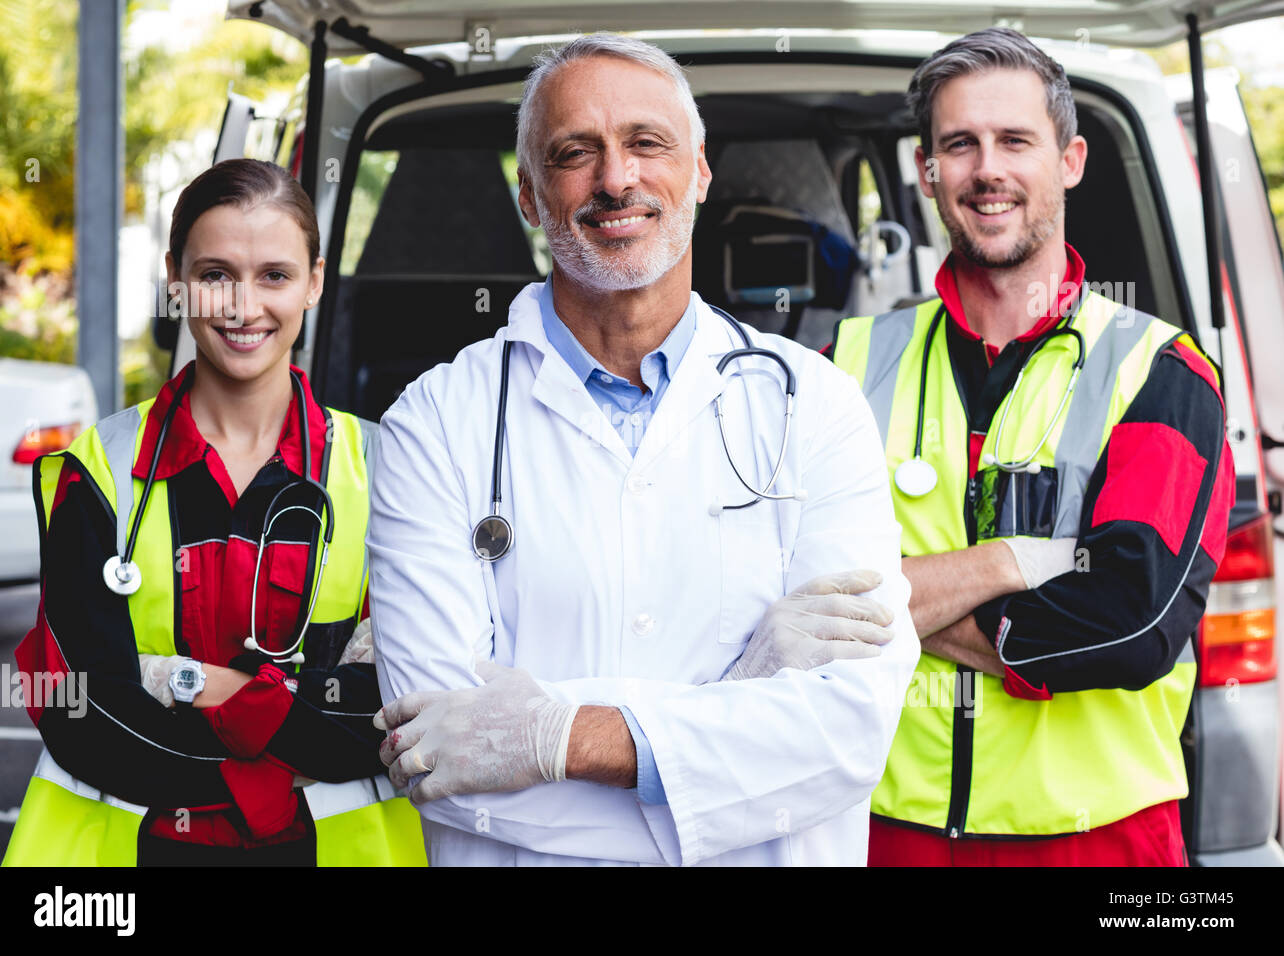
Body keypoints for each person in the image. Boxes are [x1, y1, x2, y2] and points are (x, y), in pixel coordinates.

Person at [366, 33, 920, 867]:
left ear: (699, 171)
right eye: (574, 153)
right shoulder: (435, 422)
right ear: (528, 195)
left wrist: (558, 736)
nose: (616, 179)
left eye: (646, 144)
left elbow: (846, 737)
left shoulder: (814, 404)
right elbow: (443, 760)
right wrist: (739, 706)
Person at [827, 28, 1234, 865]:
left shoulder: (1160, 371)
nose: (988, 170)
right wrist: (1020, 560)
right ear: (927, 172)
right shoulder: (849, 362)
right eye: (959, 145)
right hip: (878, 831)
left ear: (1071, 161)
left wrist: (891, 605)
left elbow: (1131, 625)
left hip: (1098, 839)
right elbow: (785, 595)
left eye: (1016, 140)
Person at [3, 159, 425, 866]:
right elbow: (81, 708)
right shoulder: (99, 468)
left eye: (275, 276)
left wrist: (185, 681)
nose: (242, 305)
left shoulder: (389, 470)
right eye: (215, 274)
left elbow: (396, 707)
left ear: (315, 282)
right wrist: (288, 722)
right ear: (176, 279)